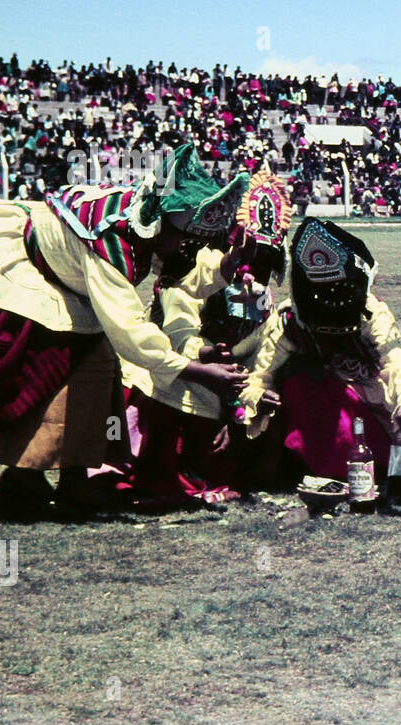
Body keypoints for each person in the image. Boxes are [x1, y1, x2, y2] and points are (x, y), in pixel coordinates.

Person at [0, 141, 250, 508]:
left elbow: (176, 274)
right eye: (186, 239)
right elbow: (131, 331)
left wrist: (224, 266)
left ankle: (64, 476)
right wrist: (198, 372)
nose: (188, 249)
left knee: (96, 369)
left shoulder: (149, 227)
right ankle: (33, 473)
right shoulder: (113, 242)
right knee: (45, 369)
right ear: (162, 223)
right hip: (19, 266)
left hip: (62, 281)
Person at [103, 164, 292, 506]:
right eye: (248, 262)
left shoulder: (264, 300)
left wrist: (248, 402)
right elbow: (179, 341)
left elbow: (259, 359)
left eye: (263, 264)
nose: (252, 277)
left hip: (227, 393)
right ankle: (167, 472)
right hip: (166, 379)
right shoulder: (188, 276)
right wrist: (208, 362)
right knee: (185, 391)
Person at [239, 218, 401, 491]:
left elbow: (398, 366)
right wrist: (258, 396)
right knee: (296, 380)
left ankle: (381, 466)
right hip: (315, 408)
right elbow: (261, 375)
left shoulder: (373, 313)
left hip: (372, 403)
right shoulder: (291, 322)